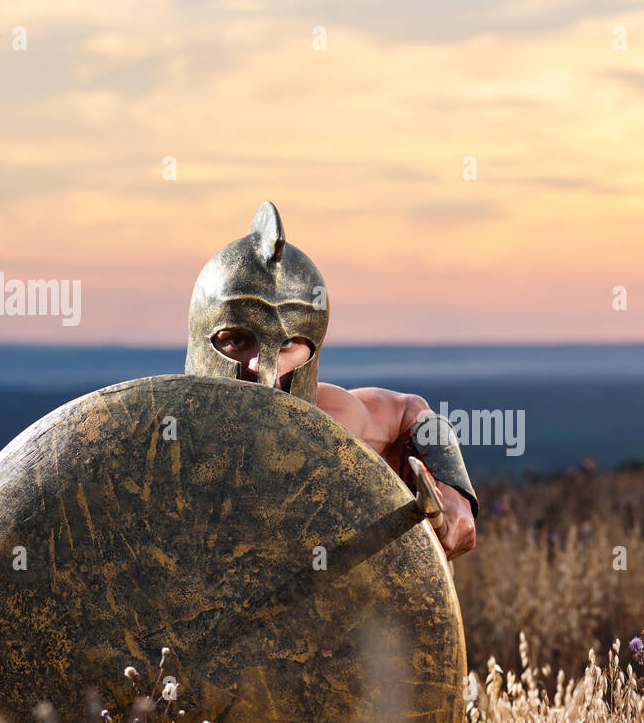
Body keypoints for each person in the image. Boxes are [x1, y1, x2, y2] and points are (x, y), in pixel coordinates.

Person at [184, 202, 477, 560]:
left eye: (287, 343)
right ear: (203, 341)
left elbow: (410, 412)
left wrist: (453, 493)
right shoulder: (156, 439)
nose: (262, 367)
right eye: (237, 339)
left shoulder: (333, 423)